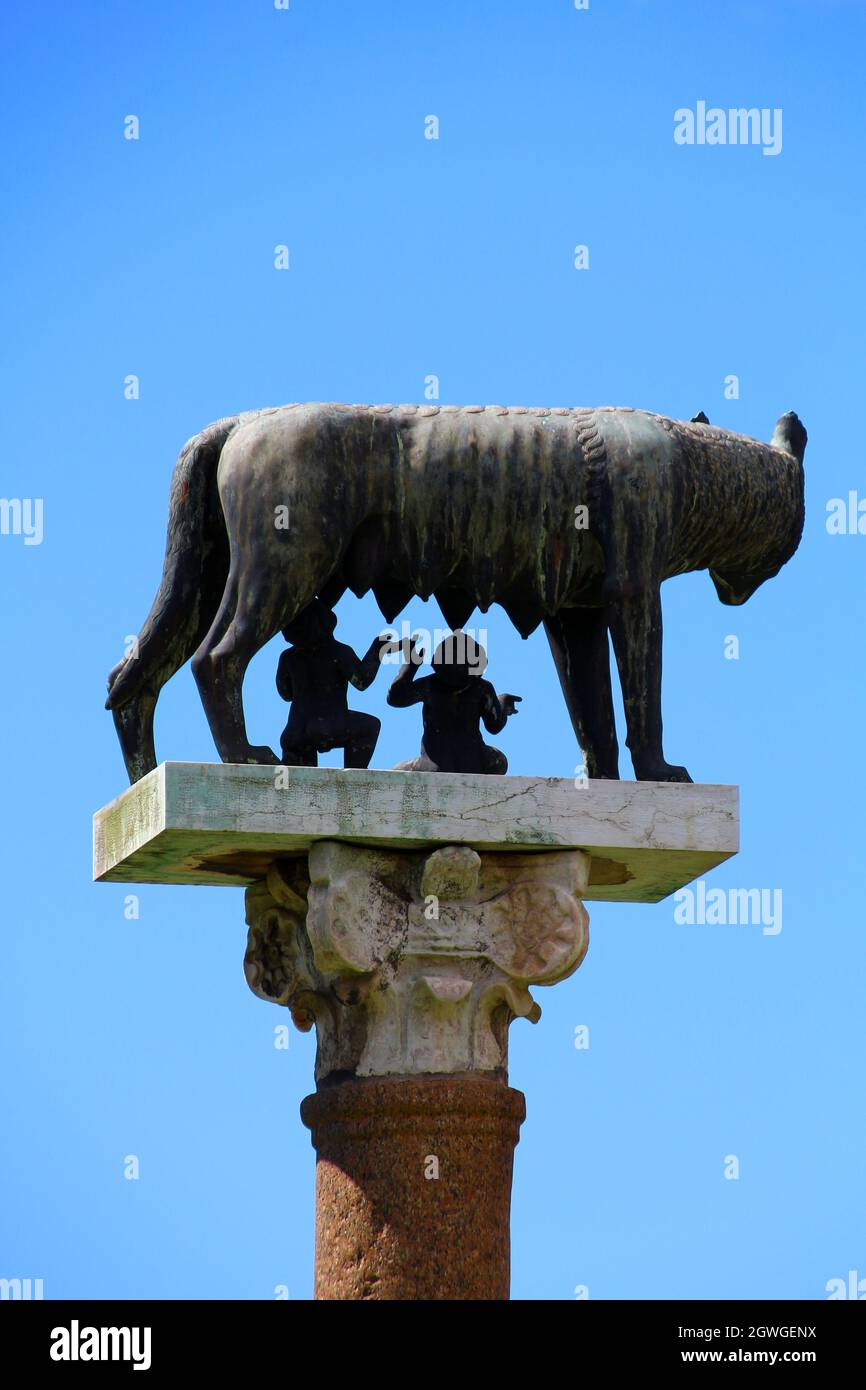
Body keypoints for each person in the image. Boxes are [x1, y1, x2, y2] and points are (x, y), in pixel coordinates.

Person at [276, 600, 390, 768]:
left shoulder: (287, 657)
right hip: (327, 726)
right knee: (370, 727)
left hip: (294, 732)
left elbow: (285, 693)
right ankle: (354, 776)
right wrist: (378, 649)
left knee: (305, 781)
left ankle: (293, 760)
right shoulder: (338, 651)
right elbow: (362, 681)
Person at [387, 631, 521, 774]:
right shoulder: (481, 687)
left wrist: (411, 665)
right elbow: (494, 725)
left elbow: (396, 698)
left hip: (432, 765)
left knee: (396, 772)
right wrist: (502, 703)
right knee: (499, 760)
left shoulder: (430, 685)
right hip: (474, 764)